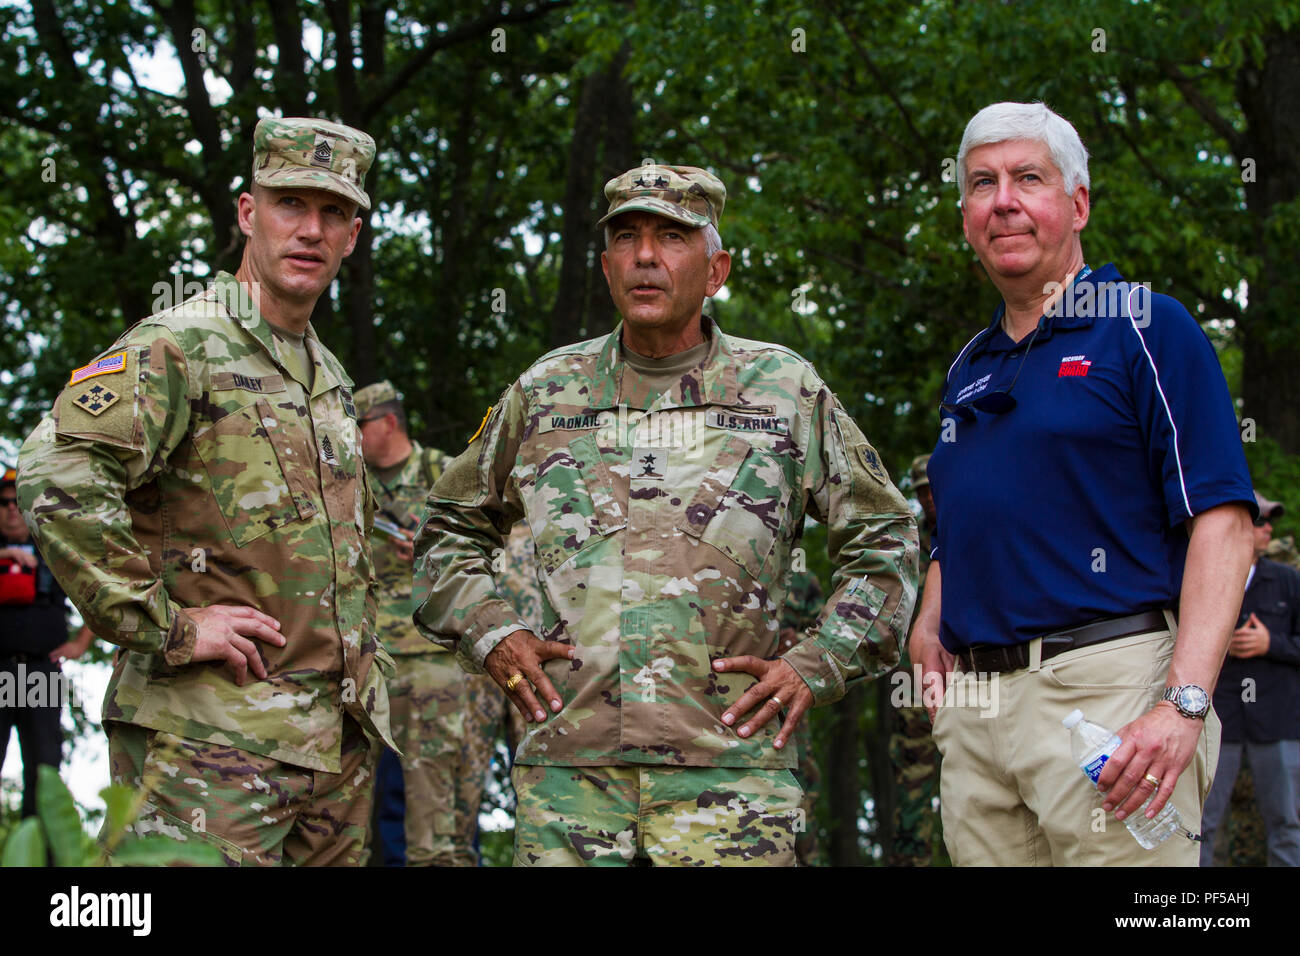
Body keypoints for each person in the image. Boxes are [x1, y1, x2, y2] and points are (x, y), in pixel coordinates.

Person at [414, 163, 918, 866]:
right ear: (605, 266)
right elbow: (446, 530)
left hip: (732, 779)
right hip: (570, 778)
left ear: (717, 270)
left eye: (672, 237)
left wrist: (820, 660)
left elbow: (887, 539)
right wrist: (492, 631)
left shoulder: (784, 392)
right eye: (627, 238)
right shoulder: (545, 392)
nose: (645, 256)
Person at [17, 116, 396, 866]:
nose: (310, 230)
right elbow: (56, 473)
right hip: (209, 746)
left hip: (332, 757)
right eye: (290, 204)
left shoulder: (328, 375)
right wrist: (169, 625)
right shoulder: (183, 343)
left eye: (332, 213)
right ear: (249, 213)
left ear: (353, 235)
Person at [911, 102, 1256, 866]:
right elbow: (965, 512)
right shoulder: (971, 365)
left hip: (1108, 699)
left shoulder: (1145, 326)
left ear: (1078, 203)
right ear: (965, 212)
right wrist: (930, 616)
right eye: (981, 183)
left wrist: (1184, 704)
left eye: (1027, 178)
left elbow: (1223, 522)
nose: (1002, 200)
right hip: (975, 711)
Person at [355, 380, 502, 866]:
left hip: (435, 663)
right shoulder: (348, 482)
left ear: (388, 423)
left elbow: (497, 551)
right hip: (365, 661)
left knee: (438, 801)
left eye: (359, 426)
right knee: (358, 802)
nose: (351, 437)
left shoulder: (444, 472)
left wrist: (428, 552)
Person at [1200, 490, 1300, 866]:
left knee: (1287, 823)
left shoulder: (1288, 580)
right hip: (1217, 720)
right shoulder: (1202, 578)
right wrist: (1216, 642)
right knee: (1201, 824)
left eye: (1269, 521)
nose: (1268, 528)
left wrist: (1271, 642)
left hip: (1277, 721)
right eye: (1260, 520)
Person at [0, 466, 93, 818]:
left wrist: (80, 643)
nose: (11, 508)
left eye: (17, 502)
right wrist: (6, 557)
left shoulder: (54, 549)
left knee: (44, 767)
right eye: (4, 502)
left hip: (40, 671)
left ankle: (40, 856)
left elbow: (97, 592)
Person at [888, 453, 942, 865]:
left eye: (932, 488)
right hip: (914, 682)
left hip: (977, 673)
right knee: (913, 784)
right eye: (921, 492)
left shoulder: (976, 526)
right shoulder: (909, 541)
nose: (928, 499)